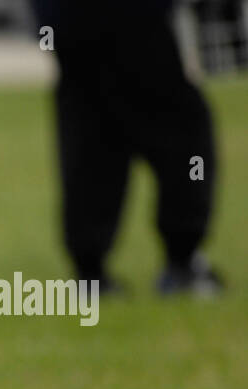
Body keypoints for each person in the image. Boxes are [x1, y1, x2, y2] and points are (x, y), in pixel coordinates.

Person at [31, 0, 224, 294]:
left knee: (89, 135)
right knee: (184, 137)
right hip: (133, 18)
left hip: (68, 21)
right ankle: (182, 259)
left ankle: (90, 272)